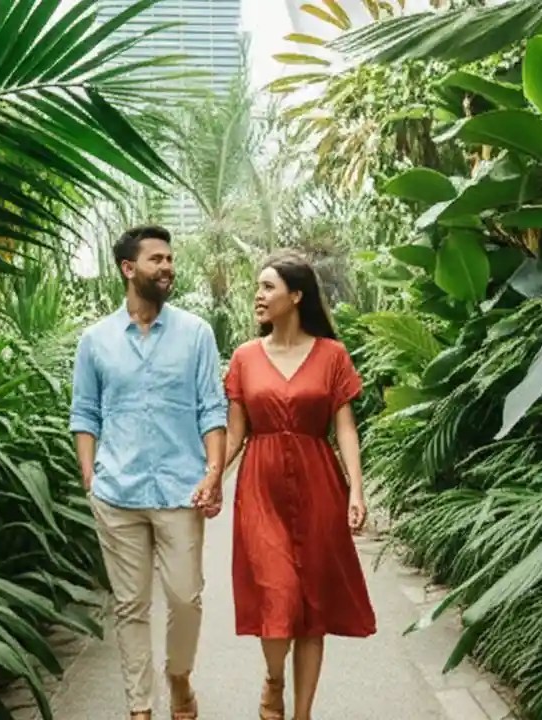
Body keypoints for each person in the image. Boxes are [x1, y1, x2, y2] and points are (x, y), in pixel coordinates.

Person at [69, 225, 228, 720]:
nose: (167, 267)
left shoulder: (196, 333)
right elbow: (84, 414)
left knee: (185, 600)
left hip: (181, 491)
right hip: (117, 493)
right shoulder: (95, 341)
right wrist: (90, 477)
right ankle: (140, 707)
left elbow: (211, 410)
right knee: (131, 607)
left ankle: (178, 676)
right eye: (157, 259)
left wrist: (214, 471)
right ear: (128, 268)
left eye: (170, 259)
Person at [210, 250, 377, 720]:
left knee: (313, 607)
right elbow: (237, 432)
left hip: (319, 483)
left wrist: (357, 492)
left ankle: (301, 714)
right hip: (261, 487)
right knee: (278, 594)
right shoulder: (244, 357)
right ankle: (274, 678)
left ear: (296, 296)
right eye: (258, 287)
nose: (257, 296)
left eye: (268, 287)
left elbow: (344, 427)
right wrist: (213, 479)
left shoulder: (332, 355)